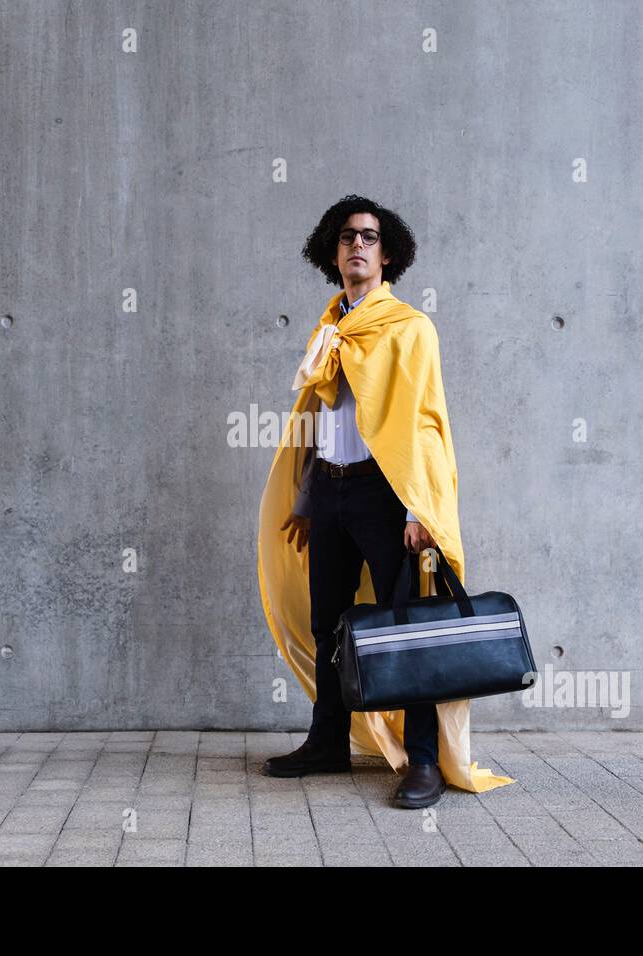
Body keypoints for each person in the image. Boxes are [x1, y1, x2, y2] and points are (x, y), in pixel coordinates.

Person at [259, 195, 450, 808]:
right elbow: (321, 418)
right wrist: (308, 495)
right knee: (328, 625)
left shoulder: (409, 329)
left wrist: (421, 510)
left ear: (388, 252)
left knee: (409, 627)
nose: (357, 246)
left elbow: (421, 422)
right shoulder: (329, 329)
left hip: (387, 495)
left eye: (369, 237)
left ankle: (423, 761)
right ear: (332, 251)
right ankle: (327, 744)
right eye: (347, 237)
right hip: (333, 490)